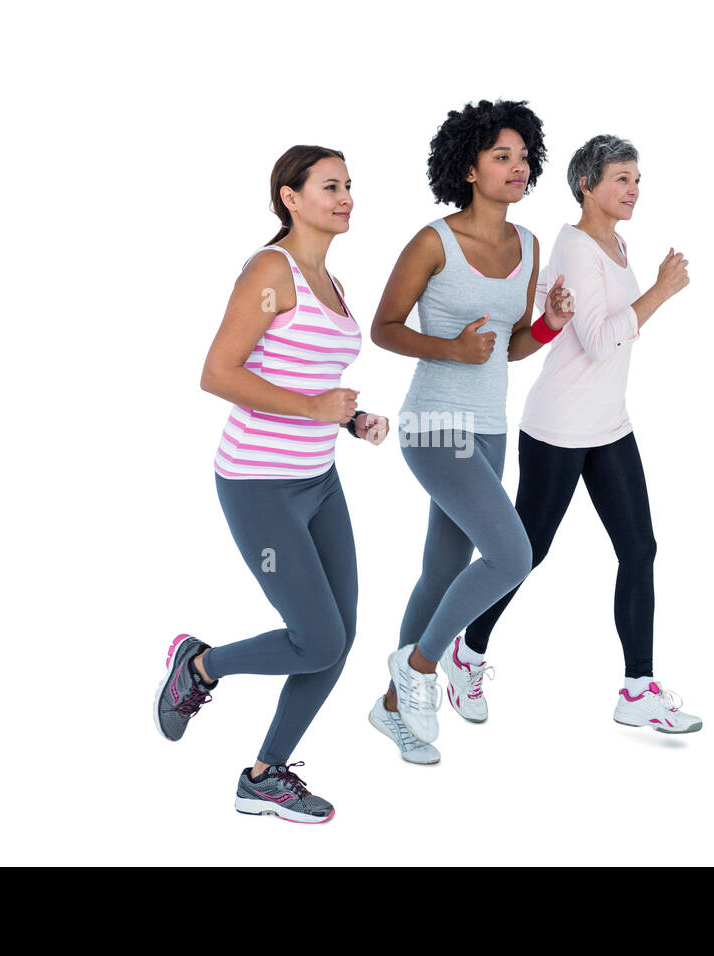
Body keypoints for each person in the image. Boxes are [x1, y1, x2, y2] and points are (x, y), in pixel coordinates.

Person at [154, 145, 390, 823]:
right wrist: (316, 409)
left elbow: (306, 381)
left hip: (319, 480)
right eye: (329, 186)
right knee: (316, 638)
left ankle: (264, 774)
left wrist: (348, 420)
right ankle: (199, 667)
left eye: (349, 186)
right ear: (289, 197)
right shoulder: (271, 271)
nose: (346, 197)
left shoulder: (334, 284)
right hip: (259, 485)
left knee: (337, 637)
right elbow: (219, 373)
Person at [462, 133, 702, 733]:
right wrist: (661, 293)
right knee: (526, 553)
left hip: (608, 425)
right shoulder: (575, 249)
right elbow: (599, 340)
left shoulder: (615, 242)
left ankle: (637, 689)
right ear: (586, 185)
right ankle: (466, 651)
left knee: (639, 548)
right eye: (622, 178)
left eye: (638, 179)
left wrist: (648, 292)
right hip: (560, 427)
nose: (634, 190)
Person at [368, 100, 574, 763]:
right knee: (513, 556)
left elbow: (510, 348)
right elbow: (385, 327)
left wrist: (548, 325)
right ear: (468, 168)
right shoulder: (434, 241)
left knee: (444, 569)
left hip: (488, 428)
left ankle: (393, 708)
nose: (518, 168)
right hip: (435, 425)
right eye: (501, 157)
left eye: (523, 156)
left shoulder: (529, 245)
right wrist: (447, 349)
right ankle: (422, 668)